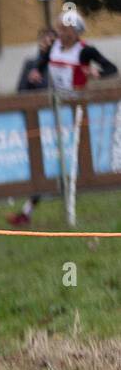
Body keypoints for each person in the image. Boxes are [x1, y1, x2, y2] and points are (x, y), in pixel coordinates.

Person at [9, 12, 118, 225]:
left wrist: (96, 73)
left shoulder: (86, 51)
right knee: (50, 160)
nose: (60, 33)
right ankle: (28, 211)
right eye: (59, 28)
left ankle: (70, 211)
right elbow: (41, 62)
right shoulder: (54, 46)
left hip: (77, 111)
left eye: (64, 29)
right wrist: (36, 73)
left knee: (75, 162)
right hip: (56, 109)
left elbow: (111, 69)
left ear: (75, 32)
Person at [15, 27, 55, 92]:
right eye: (43, 39)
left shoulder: (58, 63)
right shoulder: (30, 64)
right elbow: (20, 91)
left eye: (51, 40)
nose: (47, 43)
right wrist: (29, 80)